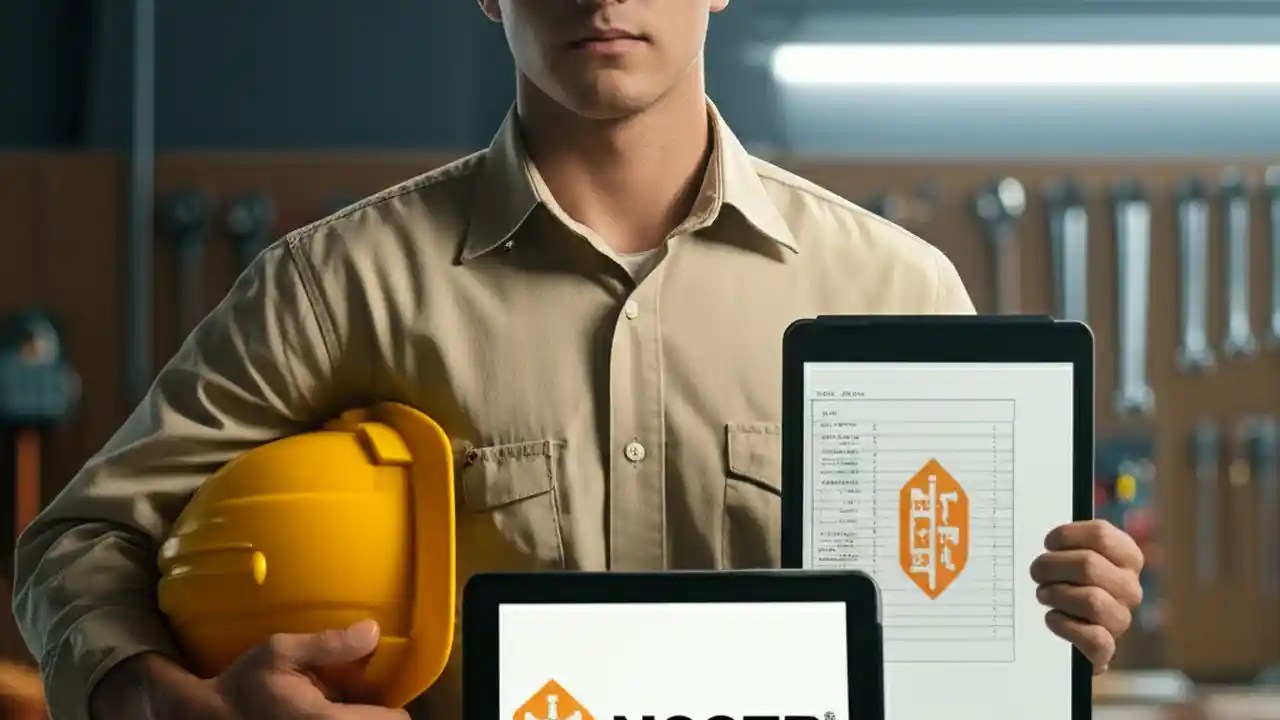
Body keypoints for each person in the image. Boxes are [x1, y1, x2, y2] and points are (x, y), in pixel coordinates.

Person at [12, 0, 1145, 718]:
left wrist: (1065, 616)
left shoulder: (896, 292)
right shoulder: (337, 286)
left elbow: (971, 652)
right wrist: (166, 707)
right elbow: (78, 542)